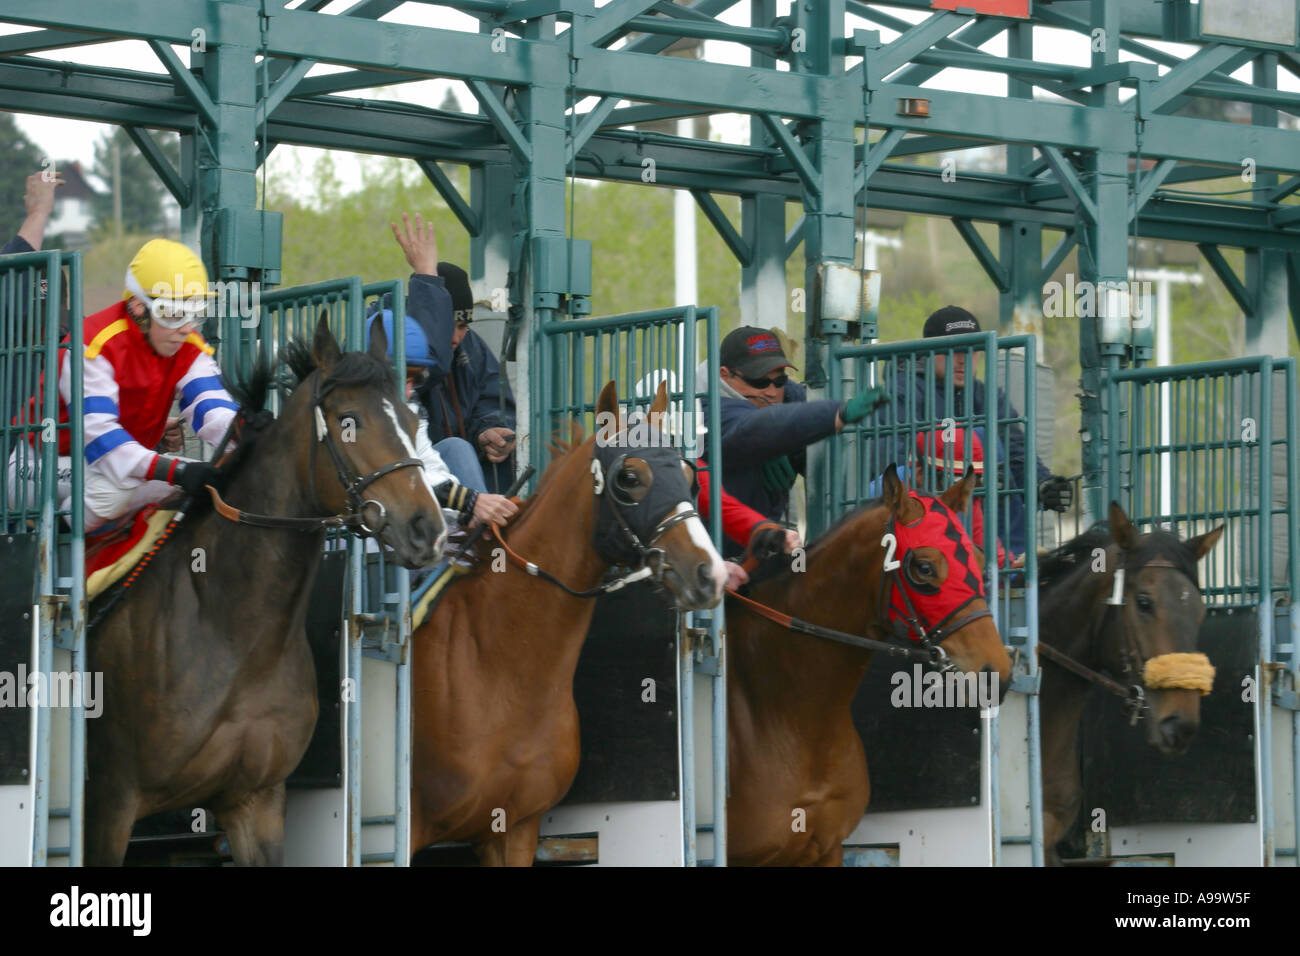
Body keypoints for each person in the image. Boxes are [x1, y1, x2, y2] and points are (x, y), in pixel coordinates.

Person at [10, 238, 235, 533]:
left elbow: (212, 408)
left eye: (194, 312)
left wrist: (245, 430)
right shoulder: (91, 344)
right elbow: (104, 442)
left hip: (111, 468)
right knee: (114, 489)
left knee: (206, 487)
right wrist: (176, 469)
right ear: (139, 307)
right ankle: (54, 548)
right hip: (39, 467)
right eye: (173, 313)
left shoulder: (188, 344)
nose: (186, 328)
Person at [888, 305, 1073, 555]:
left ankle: (1012, 563)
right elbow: (892, 458)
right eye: (954, 350)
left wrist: (1042, 484)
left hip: (972, 504)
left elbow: (1016, 449)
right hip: (919, 507)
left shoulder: (984, 394)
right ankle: (1007, 564)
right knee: (983, 443)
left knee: (995, 458)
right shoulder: (903, 391)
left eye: (974, 350)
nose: (964, 359)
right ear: (927, 353)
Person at [384, 213, 517, 494]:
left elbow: (491, 399)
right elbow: (427, 369)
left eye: (464, 326)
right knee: (456, 448)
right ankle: (482, 529)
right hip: (402, 473)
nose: (459, 336)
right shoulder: (393, 338)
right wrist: (425, 274)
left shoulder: (472, 346)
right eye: (451, 326)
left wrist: (488, 430)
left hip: (450, 477)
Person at [709, 325, 889, 532]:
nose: (771, 392)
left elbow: (795, 418)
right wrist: (837, 413)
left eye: (780, 381)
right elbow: (754, 427)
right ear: (725, 375)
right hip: (714, 550)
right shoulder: (701, 408)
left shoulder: (790, 400)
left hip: (766, 541)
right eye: (758, 382)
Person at [367, 309, 517, 533]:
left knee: (456, 447)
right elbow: (399, 475)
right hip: (361, 537)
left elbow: (430, 466)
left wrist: (466, 514)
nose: (409, 390)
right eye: (402, 376)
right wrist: (472, 502)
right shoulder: (351, 415)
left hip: (401, 533)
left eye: (415, 378)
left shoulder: (409, 405)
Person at [914, 425, 1008, 568]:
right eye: (956, 481)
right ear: (920, 475)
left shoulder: (965, 497)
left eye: (976, 479)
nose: (966, 488)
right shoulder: (886, 497)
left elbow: (995, 560)